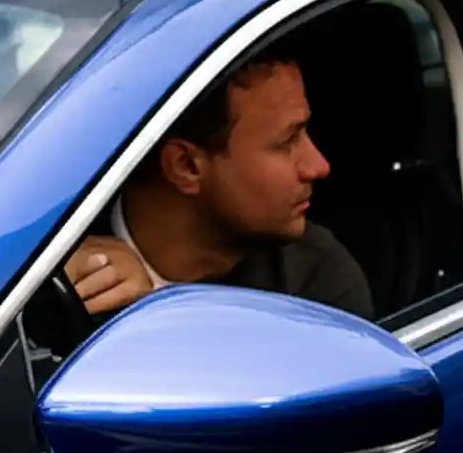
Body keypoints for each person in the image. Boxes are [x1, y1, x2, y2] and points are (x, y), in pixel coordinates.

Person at [63, 42, 373, 321]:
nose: (319, 166)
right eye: (288, 141)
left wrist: (152, 316)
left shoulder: (312, 286)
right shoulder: (49, 256)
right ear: (186, 167)